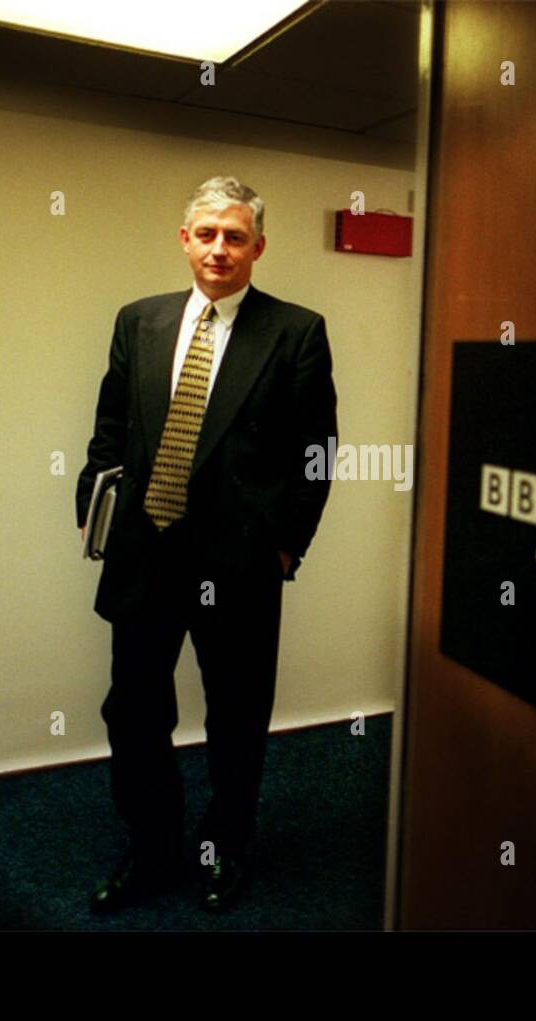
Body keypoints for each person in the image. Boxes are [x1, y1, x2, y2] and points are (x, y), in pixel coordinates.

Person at [75, 176, 337, 913]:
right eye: (207, 233)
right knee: (133, 713)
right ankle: (153, 849)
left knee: (236, 716)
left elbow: (316, 451)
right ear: (185, 240)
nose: (220, 248)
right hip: (145, 556)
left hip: (241, 565)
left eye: (235, 236)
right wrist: (96, 501)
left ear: (258, 246)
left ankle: (225, 847)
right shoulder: (140, 321)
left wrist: (286, 546)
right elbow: (109, 425)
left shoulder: (295, 330)